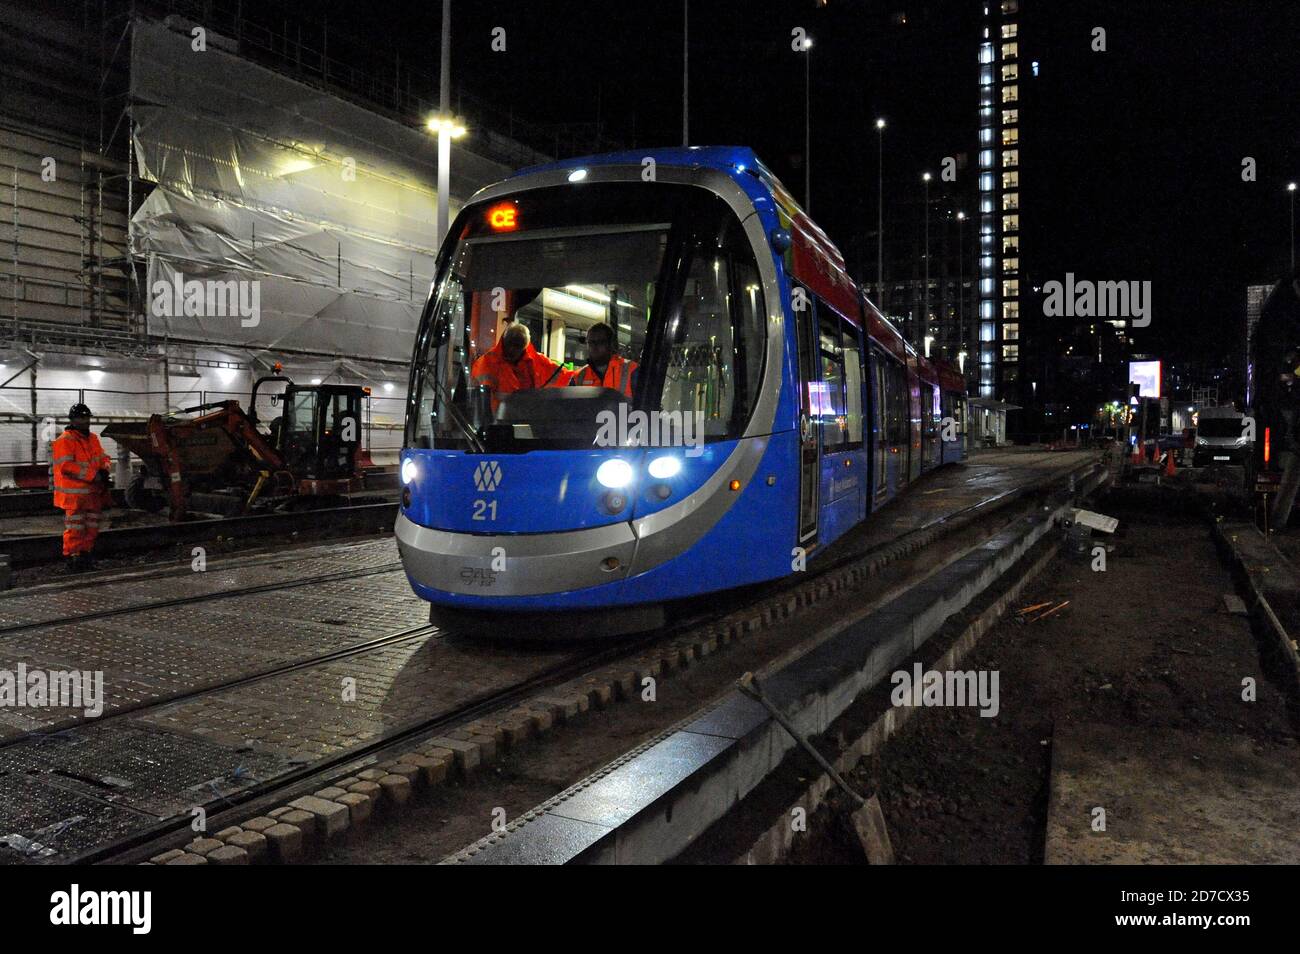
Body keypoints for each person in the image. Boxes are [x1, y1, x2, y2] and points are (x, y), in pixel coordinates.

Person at [51, 403, 112, 573]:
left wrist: (105, 468)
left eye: (87, 417)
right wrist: (94, 475)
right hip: (76, 497)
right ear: (73, 420)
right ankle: (73, 559)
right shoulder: (65, 439)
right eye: (81, 418)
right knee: (76, 529)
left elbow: (103, 457)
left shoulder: (92, 438)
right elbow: (66, 466)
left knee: (91, 527)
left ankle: (85, 557)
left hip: (93, 494)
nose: (85, 421)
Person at [471, 321, 571, 413]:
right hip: (496, 422)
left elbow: (565, 376)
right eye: (510, 344)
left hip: (524, 417)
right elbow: (478, 399)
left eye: (517, 346)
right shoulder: (487, 362)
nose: (512, 349)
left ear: (524, 347)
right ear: (504, 341)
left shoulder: (536, 361)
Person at [568, 322, 638, 397]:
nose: (595, 346)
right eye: (591, 342)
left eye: (600, 342)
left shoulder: (632, 370)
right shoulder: (578, 377)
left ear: (611, 344)